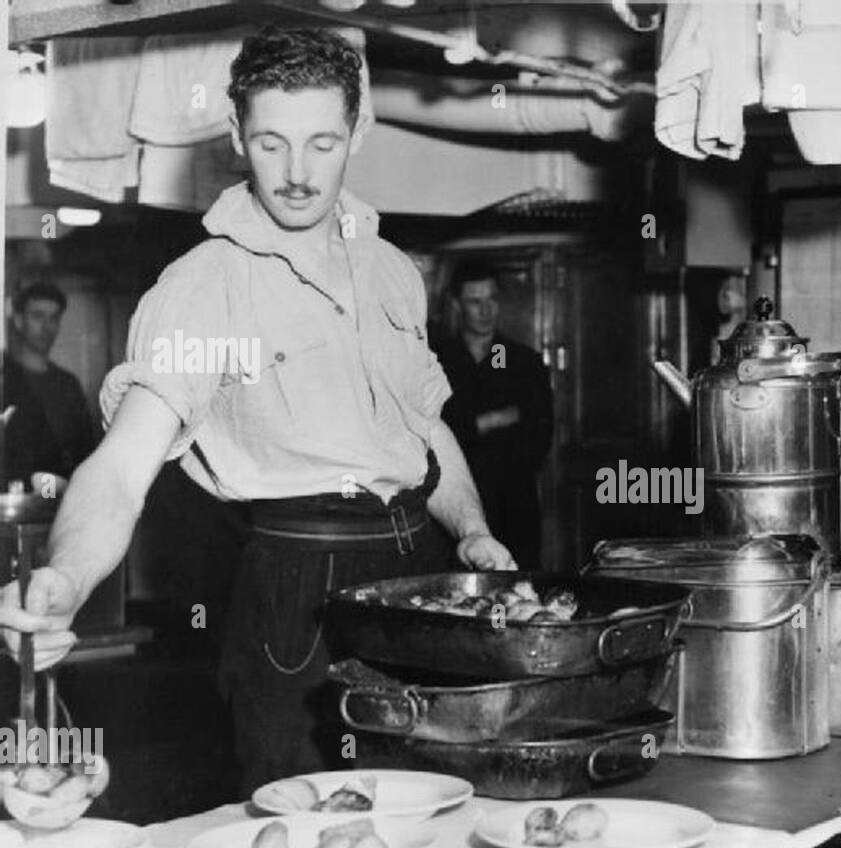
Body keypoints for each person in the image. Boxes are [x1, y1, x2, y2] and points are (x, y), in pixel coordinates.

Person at [0, 27, 513, 792]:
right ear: (237, 135)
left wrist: (472, 532)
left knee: (436, 821)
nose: (298, 175)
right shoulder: (204, 287)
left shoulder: (391, 270)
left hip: (421, 583)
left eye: (321, 143)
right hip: (298, 598)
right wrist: (66, 581)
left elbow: (425, 427)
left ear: (359, 131)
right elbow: (122, 466)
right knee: (306, 844)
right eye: (272, 144)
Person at [437, 262, 554, 569]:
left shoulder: (523, 362)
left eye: (492, 299)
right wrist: (493, 420)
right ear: (456, 304)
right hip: (453, 508)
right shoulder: (438, 360)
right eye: (475, 301)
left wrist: (469, 427)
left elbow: (540, 436)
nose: (486, 310)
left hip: (514, 504)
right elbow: (434, 431)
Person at [2, 282, 99, 488]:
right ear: (19, 321)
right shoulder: (6, 377)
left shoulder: (67, 384)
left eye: (53, 318)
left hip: (54, 499)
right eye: (37, 316)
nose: (46, 327)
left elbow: (85, 451)